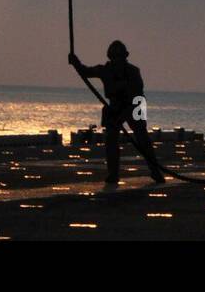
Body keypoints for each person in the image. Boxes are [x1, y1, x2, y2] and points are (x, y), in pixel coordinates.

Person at [69, 41, 165, 185]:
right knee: (111, 139)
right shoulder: (104, 70)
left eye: (120, 56)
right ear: (110, 57)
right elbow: (85, 72)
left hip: (136, 104)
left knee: (142, 138)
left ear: (125, 57)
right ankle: (113, 174)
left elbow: (137, 94)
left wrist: (124, 113)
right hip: (115, 106)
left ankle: (156, 172)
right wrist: (75, 62)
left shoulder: (133, 71)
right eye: (115, 57)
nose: (117, 60)